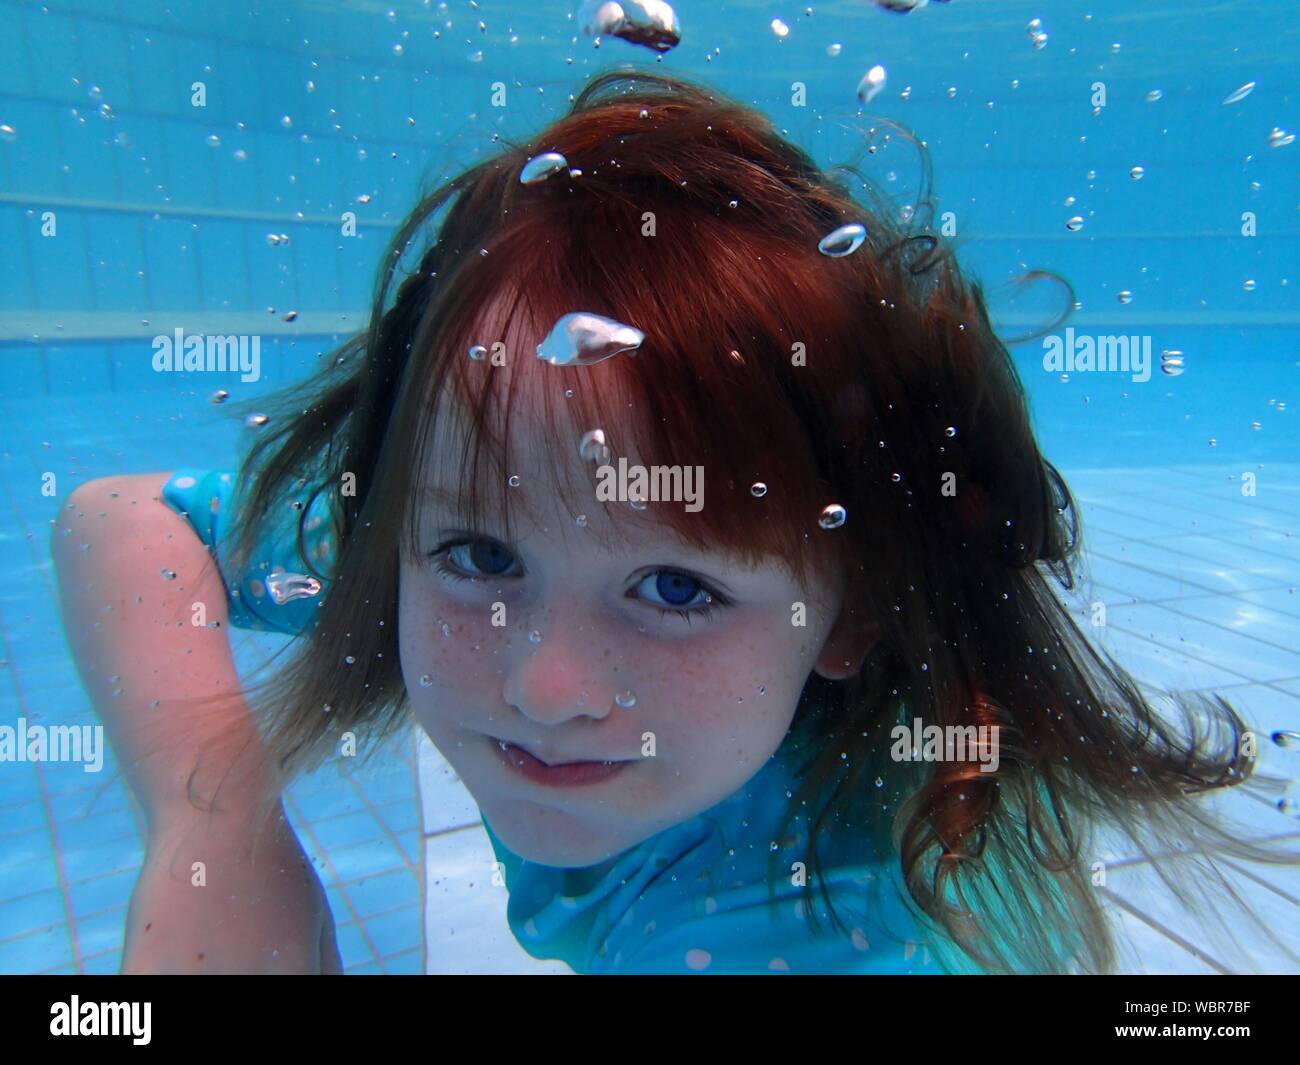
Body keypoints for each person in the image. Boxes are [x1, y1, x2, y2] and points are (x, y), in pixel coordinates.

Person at [51, 69, 1300, 975]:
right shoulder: (465, 557)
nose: (543, 685)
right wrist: (218, 818)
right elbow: (124, 524)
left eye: (677, 590)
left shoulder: (810, 929)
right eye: (480, 555)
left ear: (849, 611)